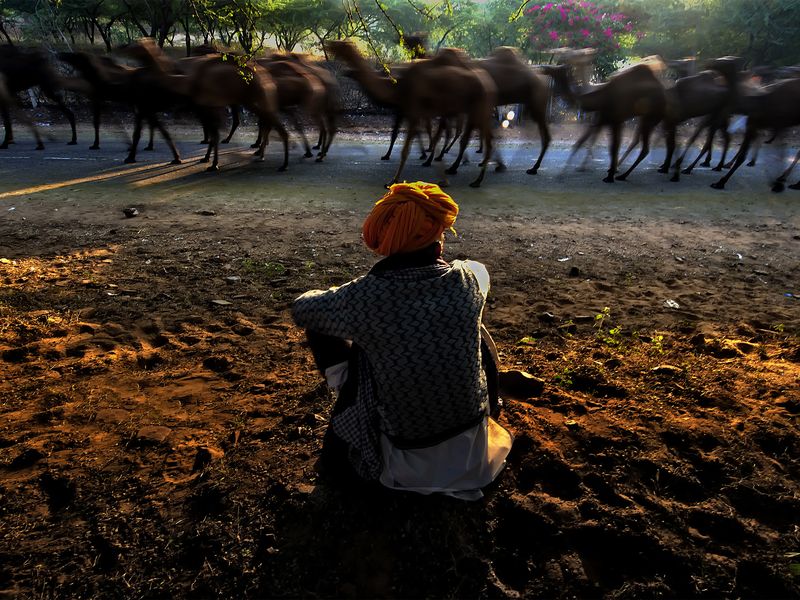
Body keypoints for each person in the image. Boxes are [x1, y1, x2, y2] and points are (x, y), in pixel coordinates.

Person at [292, 181, 513, 500]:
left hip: (405, 465)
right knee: (471, 329)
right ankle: (495, 406)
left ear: (383, 244)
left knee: (345, 336)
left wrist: (343, 294)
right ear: (438, 246)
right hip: (475, 454)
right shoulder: (471, 280)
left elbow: (303, 309)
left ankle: (344, 386)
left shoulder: (362, 298)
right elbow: (477, 270)